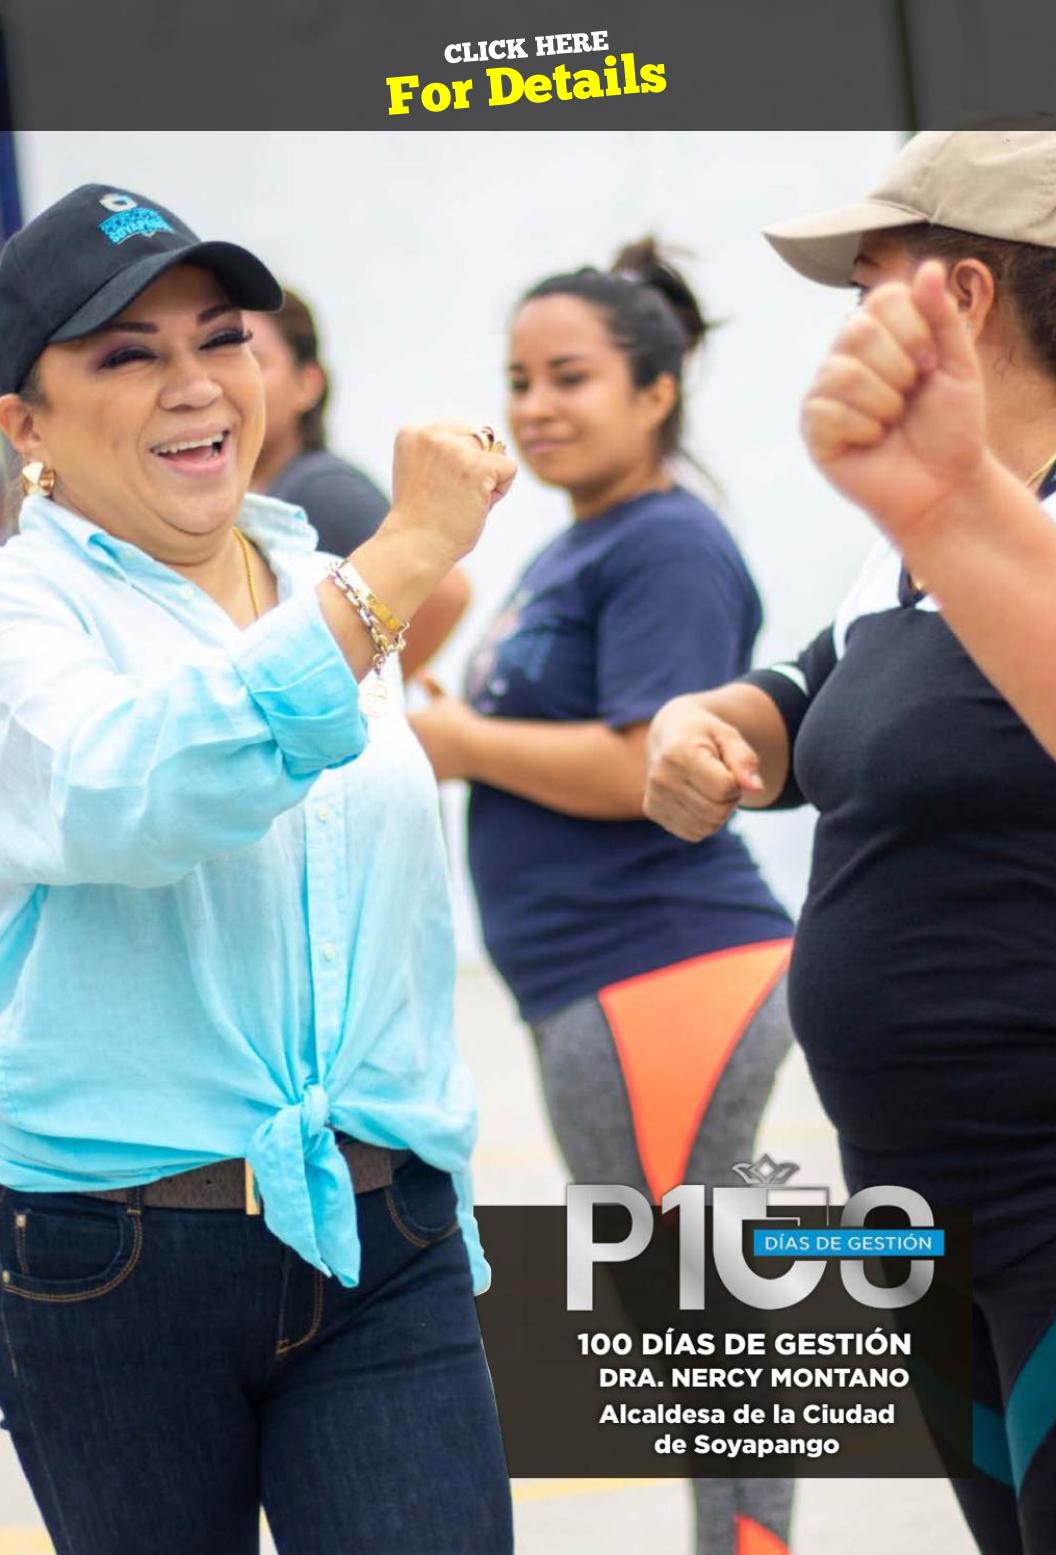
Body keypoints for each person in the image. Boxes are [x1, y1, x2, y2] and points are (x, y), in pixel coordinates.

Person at [0, 183, 516, 1555]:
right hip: (113, 1261)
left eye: (221, 336)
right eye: (125, 353)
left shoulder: (314, 579)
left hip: (380, 1232)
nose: (193, 384)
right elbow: (132, 788)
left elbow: (395, 909)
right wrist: (402, 561)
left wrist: (427, 1154)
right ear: (23, 424)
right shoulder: (24, 610)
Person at [644, 128, 1056, 1555]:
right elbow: (801, 697)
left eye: (868, 278)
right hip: (921, 1197)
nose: (848, 317)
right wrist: (705, 726)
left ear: (965, 297)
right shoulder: (901, 552)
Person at [409, 239, 797, 1555]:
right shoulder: (580, 542)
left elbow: (653, 760)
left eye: (570, 376)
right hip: (606, 982)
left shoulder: (670, 541)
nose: (534, 404)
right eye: (519, 377)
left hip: (660, 971)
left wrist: (461, 745)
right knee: (677, 1315)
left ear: (656, 393)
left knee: (699, 1318)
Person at [248, 287, 470, 676]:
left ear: (307, 384)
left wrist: (359, 691)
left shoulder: (321, 490)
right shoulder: (263, 497)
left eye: (253, 361)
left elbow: (445, 591)